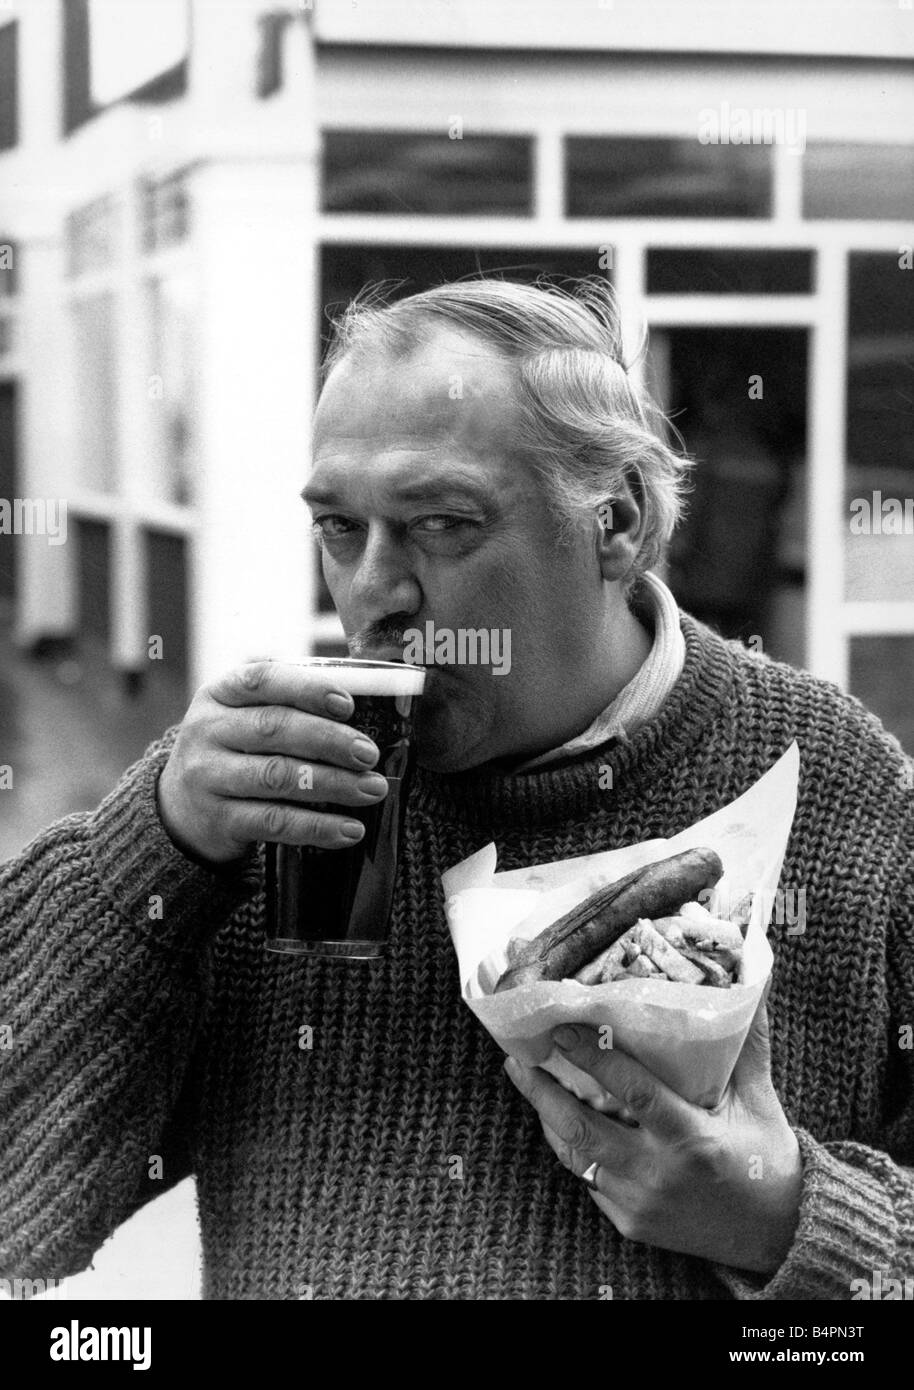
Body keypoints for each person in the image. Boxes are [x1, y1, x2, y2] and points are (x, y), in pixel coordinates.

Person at [1, 278, 912, 1300]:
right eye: (340, 529)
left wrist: (788, 1221)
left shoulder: (837, 785)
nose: (375, 594)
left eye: (439, 523)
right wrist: (151, 851)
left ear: (617, 520)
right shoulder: (263, 793)